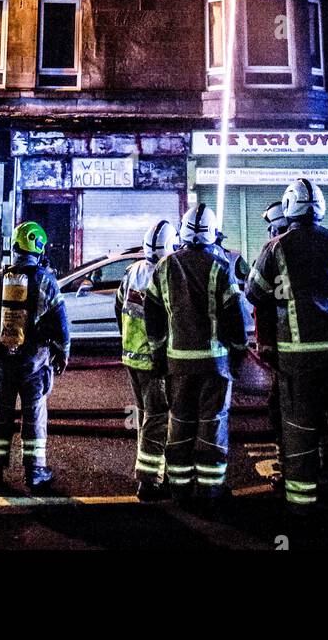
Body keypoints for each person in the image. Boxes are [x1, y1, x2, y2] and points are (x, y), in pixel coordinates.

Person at [245, 178, 328, 527]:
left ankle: (302, 508)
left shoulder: (275, 249)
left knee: (300, 431)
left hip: (300, 362)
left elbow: (254, 293)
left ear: (288, 210)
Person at [144, 203, 248, 506]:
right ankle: (210, 489)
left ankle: (179, 488)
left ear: (183, 233)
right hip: (214, 364)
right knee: (212, 424)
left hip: (177, 364)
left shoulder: (164, 267)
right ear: (212, 234)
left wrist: (158, 353)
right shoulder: (219, 268)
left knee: (180, 423)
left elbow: (153, 315)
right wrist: (239, 354)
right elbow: (234, 316)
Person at [0, 220, 70, 494]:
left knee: (0, 414)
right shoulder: (46, 281)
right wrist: (63, 353)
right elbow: (61, 324)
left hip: (3, 363)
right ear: (38, 247)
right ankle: (36, 472)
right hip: (35, 364)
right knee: (34, 416)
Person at [115, 218, 177, 501]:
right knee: (157, 418)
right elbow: (165, 322)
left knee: (145, 416)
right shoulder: (165, 276)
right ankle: (149, 480)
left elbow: (119, 310)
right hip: (154, 361)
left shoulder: (132, 272)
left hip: (131, 358)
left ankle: (150, 471)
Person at [256, 200, 289, 469]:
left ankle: (290, 465)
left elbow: (254, 293)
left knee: (282, 410)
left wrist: (265, 346)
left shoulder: (273, 251)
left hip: (291, 353)